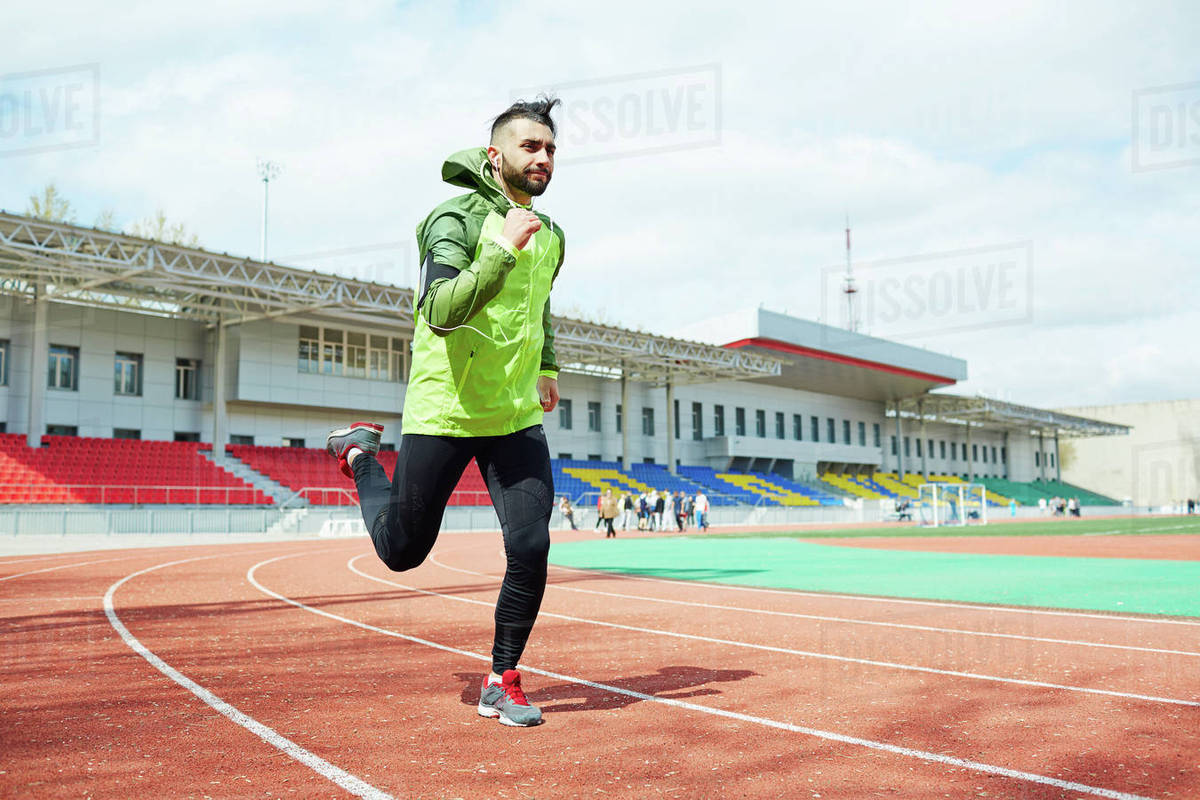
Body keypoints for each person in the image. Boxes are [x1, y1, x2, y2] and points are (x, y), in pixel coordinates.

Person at [324, 97, 565, 728]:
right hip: (447, 408)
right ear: (495, 155)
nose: (542, 158)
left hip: (513, 414)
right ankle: (360, 456)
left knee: (531, 544)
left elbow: (539, 304)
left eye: (550, 149)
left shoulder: (551, 235)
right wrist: (502, 249)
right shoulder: (453, 219)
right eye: (529, 146)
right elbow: (438, 310)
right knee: (402, 552)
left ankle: (501, 680)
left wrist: (547, 366)